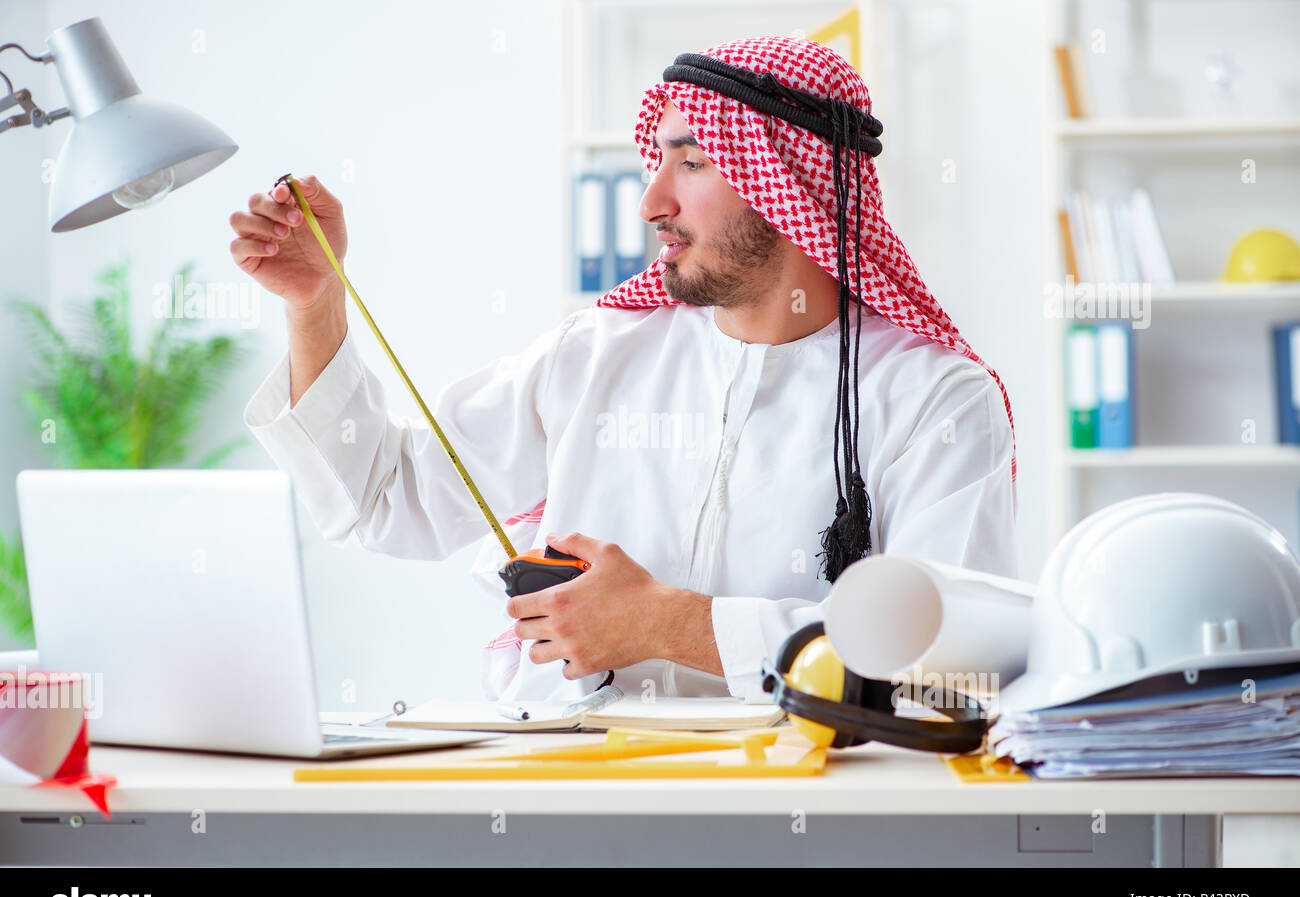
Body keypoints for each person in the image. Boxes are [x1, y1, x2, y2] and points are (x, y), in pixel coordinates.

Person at [230, 36, 1017, 704]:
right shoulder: (593, 355)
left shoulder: (935, 399)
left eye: (694, 162)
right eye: (657, 160)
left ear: (796, 184)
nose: (650, 201)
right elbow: (383, 499)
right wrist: (314, 301)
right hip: (568, 809)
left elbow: (947, 665)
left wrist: (665, 622)